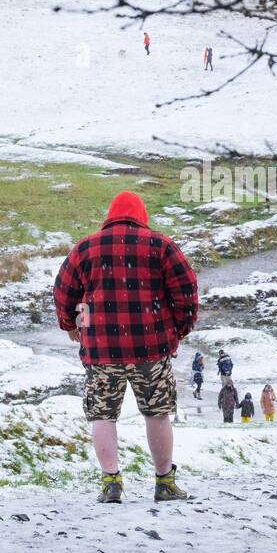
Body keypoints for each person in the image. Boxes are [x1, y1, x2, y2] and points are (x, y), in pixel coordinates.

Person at [53, 190, 198, 503]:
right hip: (152, 348)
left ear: (110, 215)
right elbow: (186, 290)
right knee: (157, 413)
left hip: (101, 350)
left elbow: (64, 289)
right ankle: (164, 483)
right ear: (141, 215)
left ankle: (111, 481)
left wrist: (70, 323)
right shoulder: (161, 245)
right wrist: (179, 330)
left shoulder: (85, 248)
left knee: (103, 415)